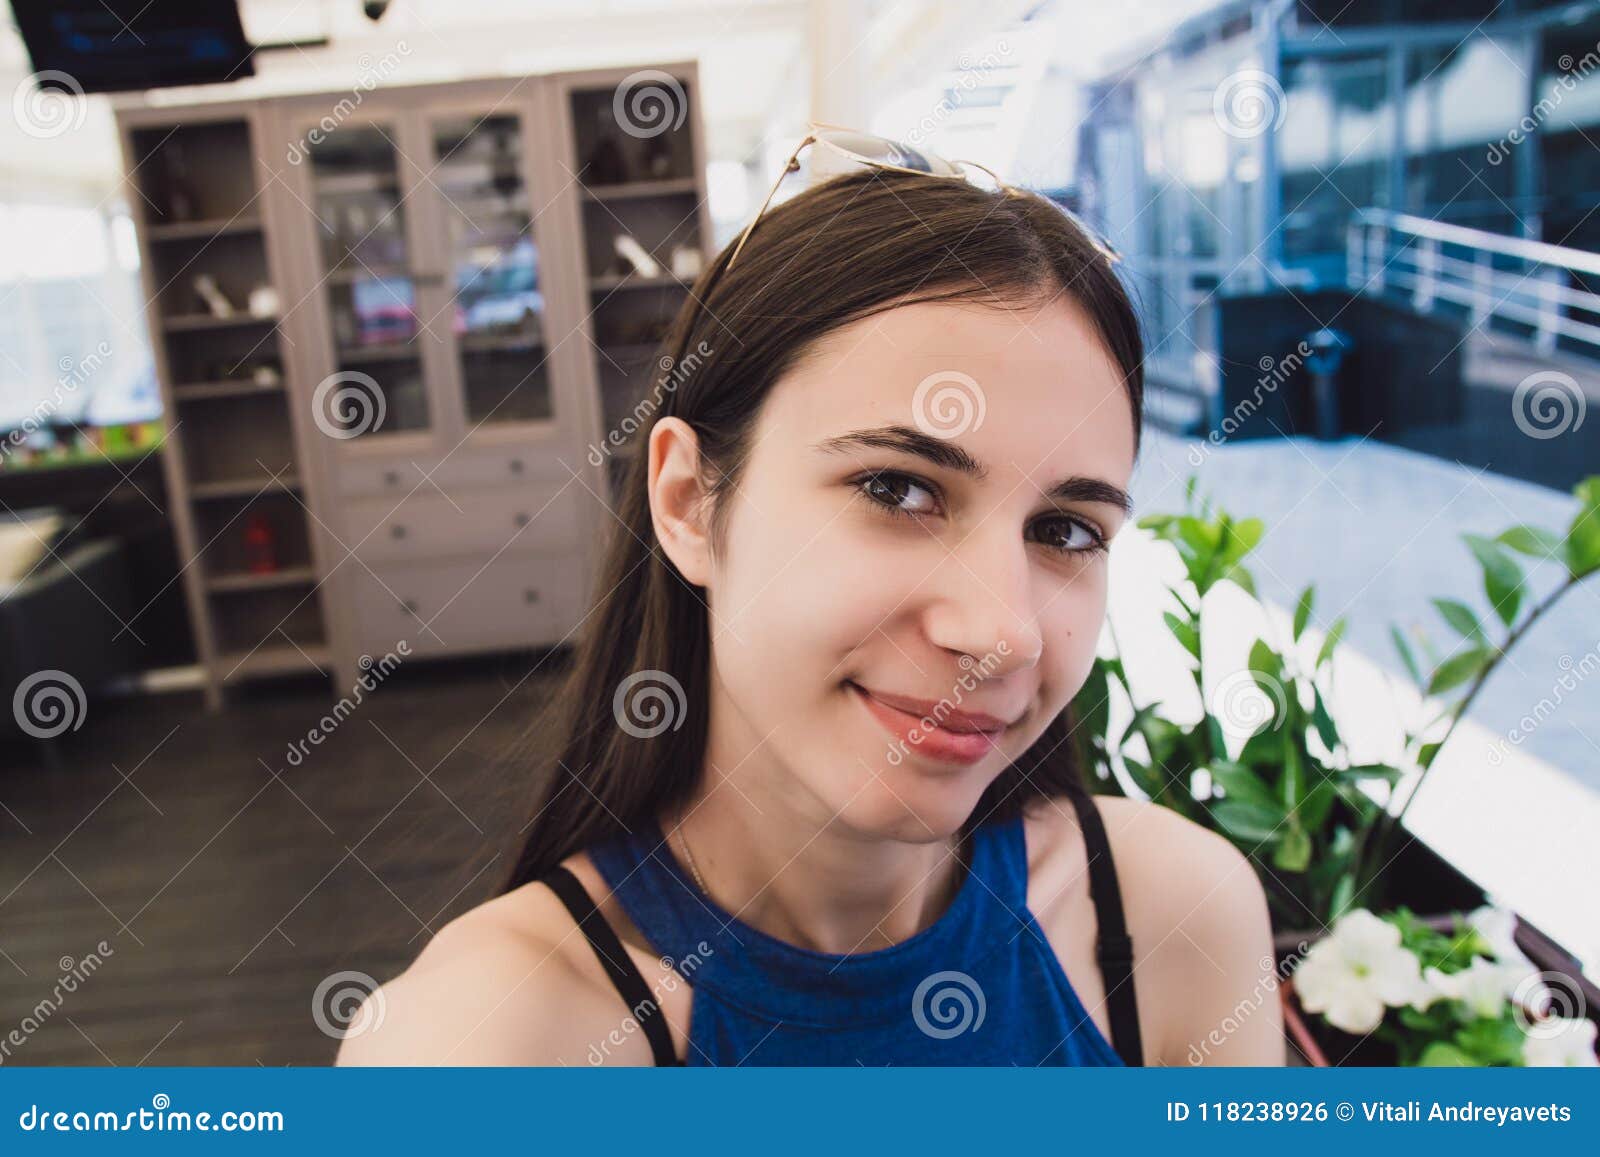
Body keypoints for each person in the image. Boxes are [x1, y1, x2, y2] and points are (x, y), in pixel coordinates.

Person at [337, 130, 1281, 1067]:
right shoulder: (486, 1043)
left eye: (1065, 530)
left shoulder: (1168, 918)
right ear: (689, 503)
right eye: (898, 489)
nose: (1002, 630)